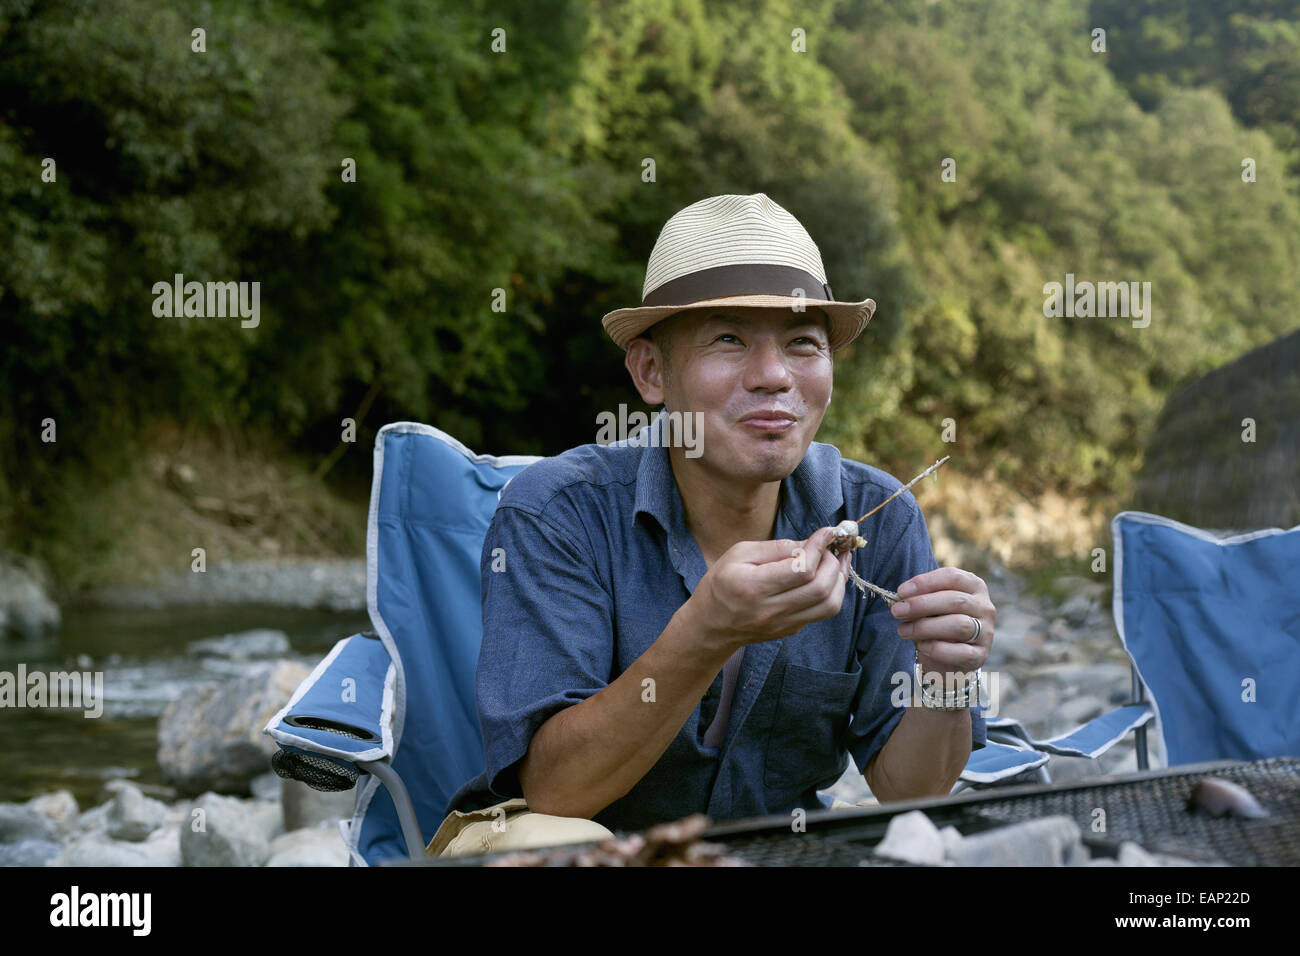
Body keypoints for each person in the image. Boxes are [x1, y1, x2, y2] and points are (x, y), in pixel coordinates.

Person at [425, 193, 995, 859]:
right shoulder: (557, 511)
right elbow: (555, 793)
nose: (774, 377)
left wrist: (947, 673)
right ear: (650, 371)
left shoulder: (880, 516)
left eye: (802, 343)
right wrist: (706, 633)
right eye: (727, 340)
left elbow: (911, 792)